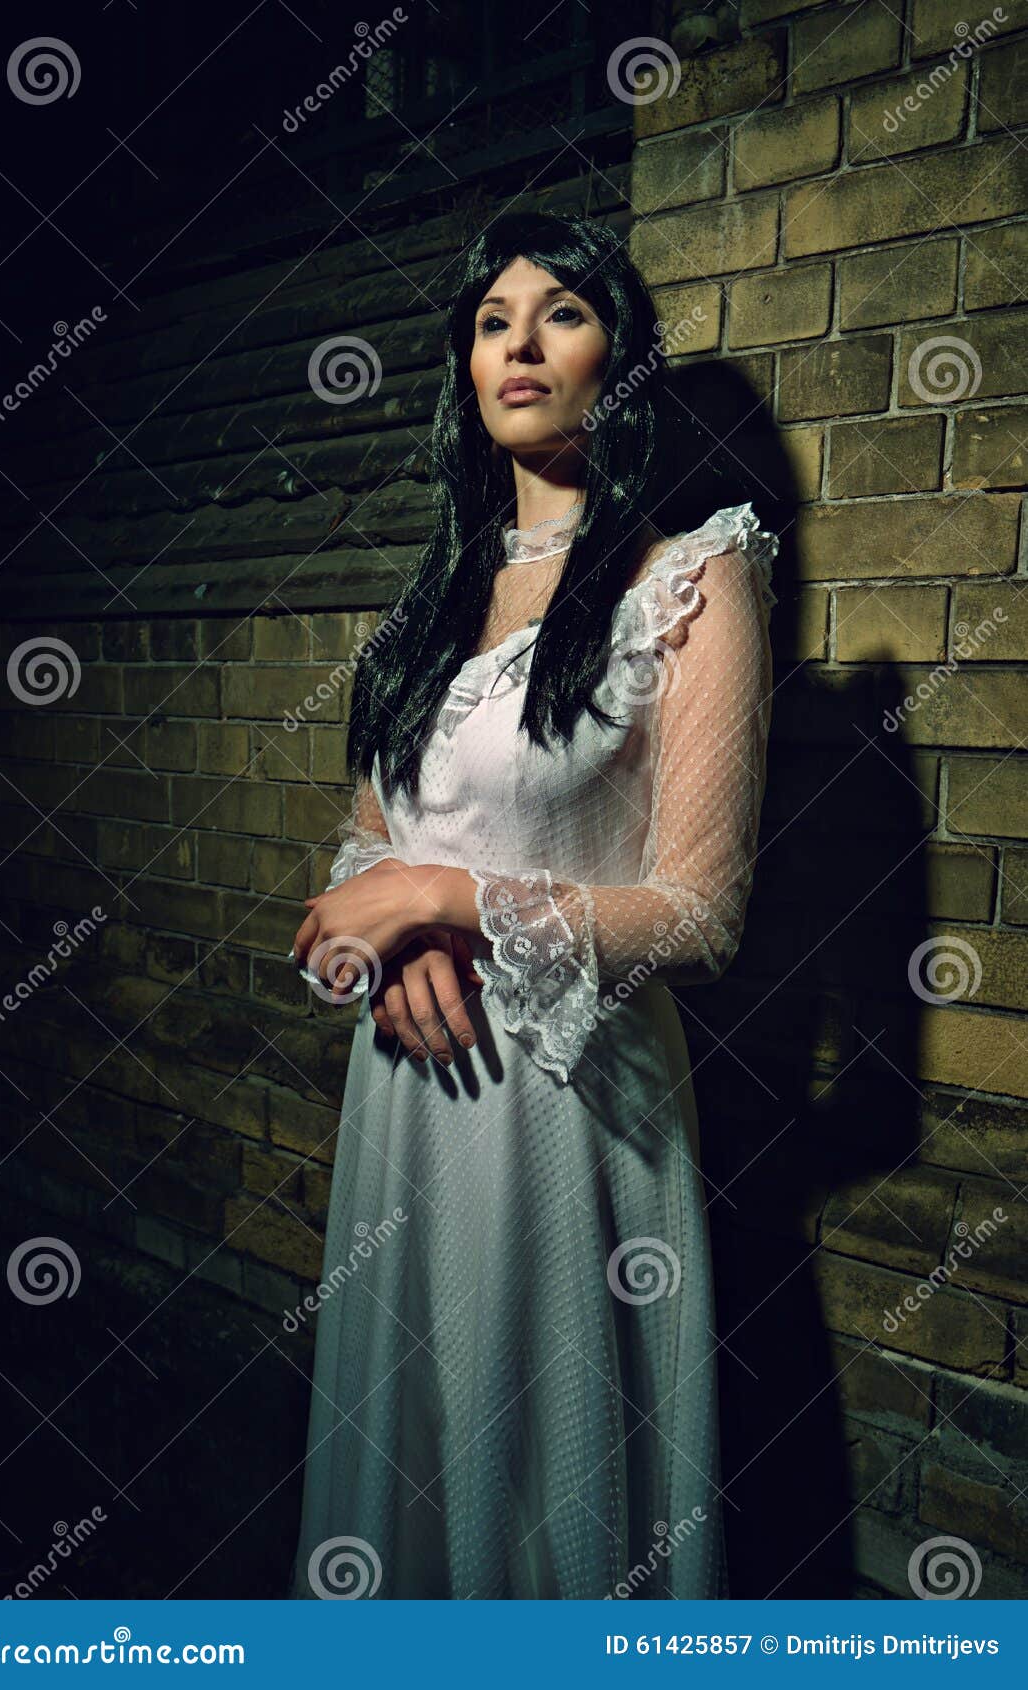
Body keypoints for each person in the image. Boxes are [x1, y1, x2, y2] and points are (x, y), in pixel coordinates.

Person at [286, 211, 779, 1600]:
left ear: (617, 355)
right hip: (409, 1092)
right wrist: (388, 948)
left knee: (550, 1490)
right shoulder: (433, 602)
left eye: (561, 312)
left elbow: (702, 913)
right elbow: (361, 855)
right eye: (492, 320)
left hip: (570, 1103)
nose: (520, 343)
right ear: (466, 367)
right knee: (414, 1470)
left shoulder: (689, 578)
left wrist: (445, 895)